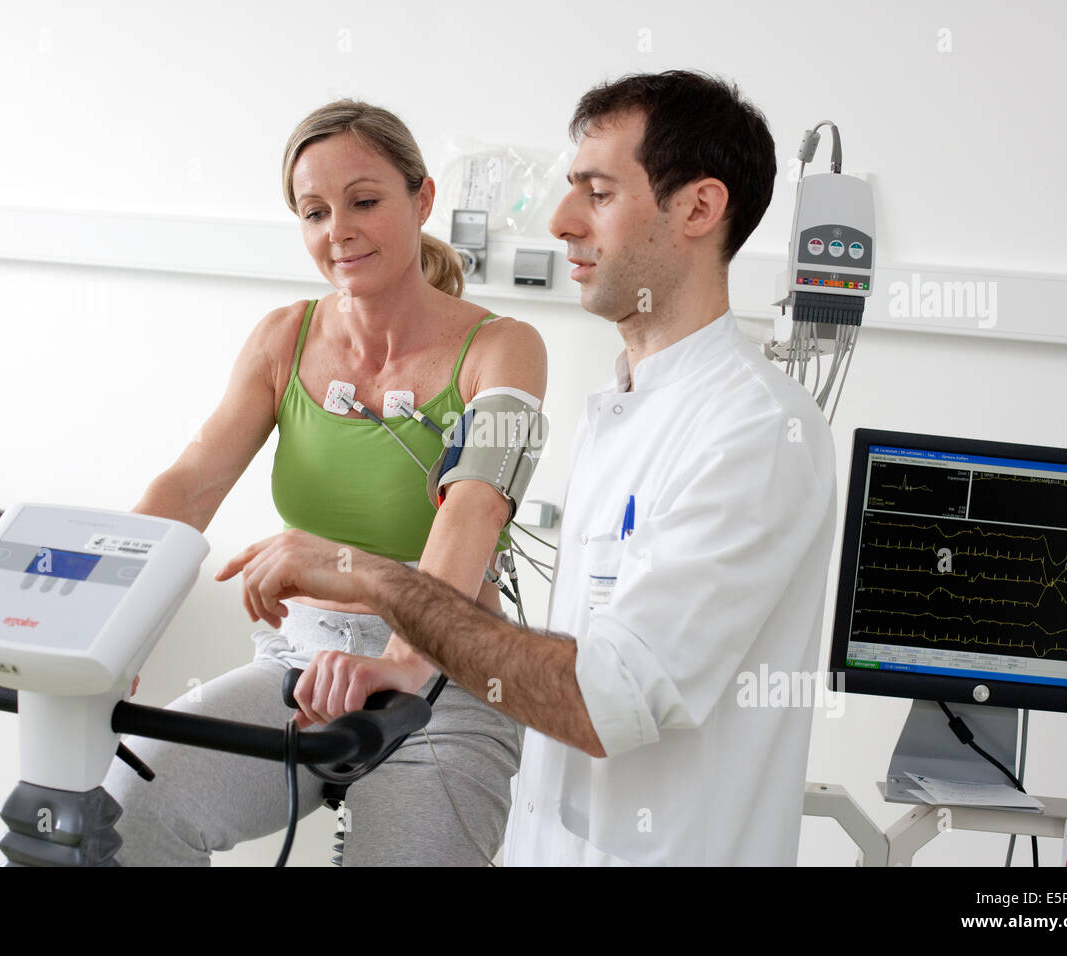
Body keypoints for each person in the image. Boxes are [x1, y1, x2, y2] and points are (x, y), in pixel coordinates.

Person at [218, 70, 838, 866]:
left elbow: (603, 699)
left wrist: (374, 581)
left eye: (599, 193)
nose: (561, 220)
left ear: (698, 208)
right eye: (313, 211)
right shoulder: (625, 408)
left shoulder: (756, 430)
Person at [102, 99, 547, 866]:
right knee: (130, 809)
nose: (337, 229)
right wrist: (106, 622)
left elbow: (474, 505)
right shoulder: (285, 337)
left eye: (365, 201)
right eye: (314, 211)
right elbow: (190, 484)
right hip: (301, 665)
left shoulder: (504, 349)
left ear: (423, 198)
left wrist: (406, 660)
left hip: (451, 675)